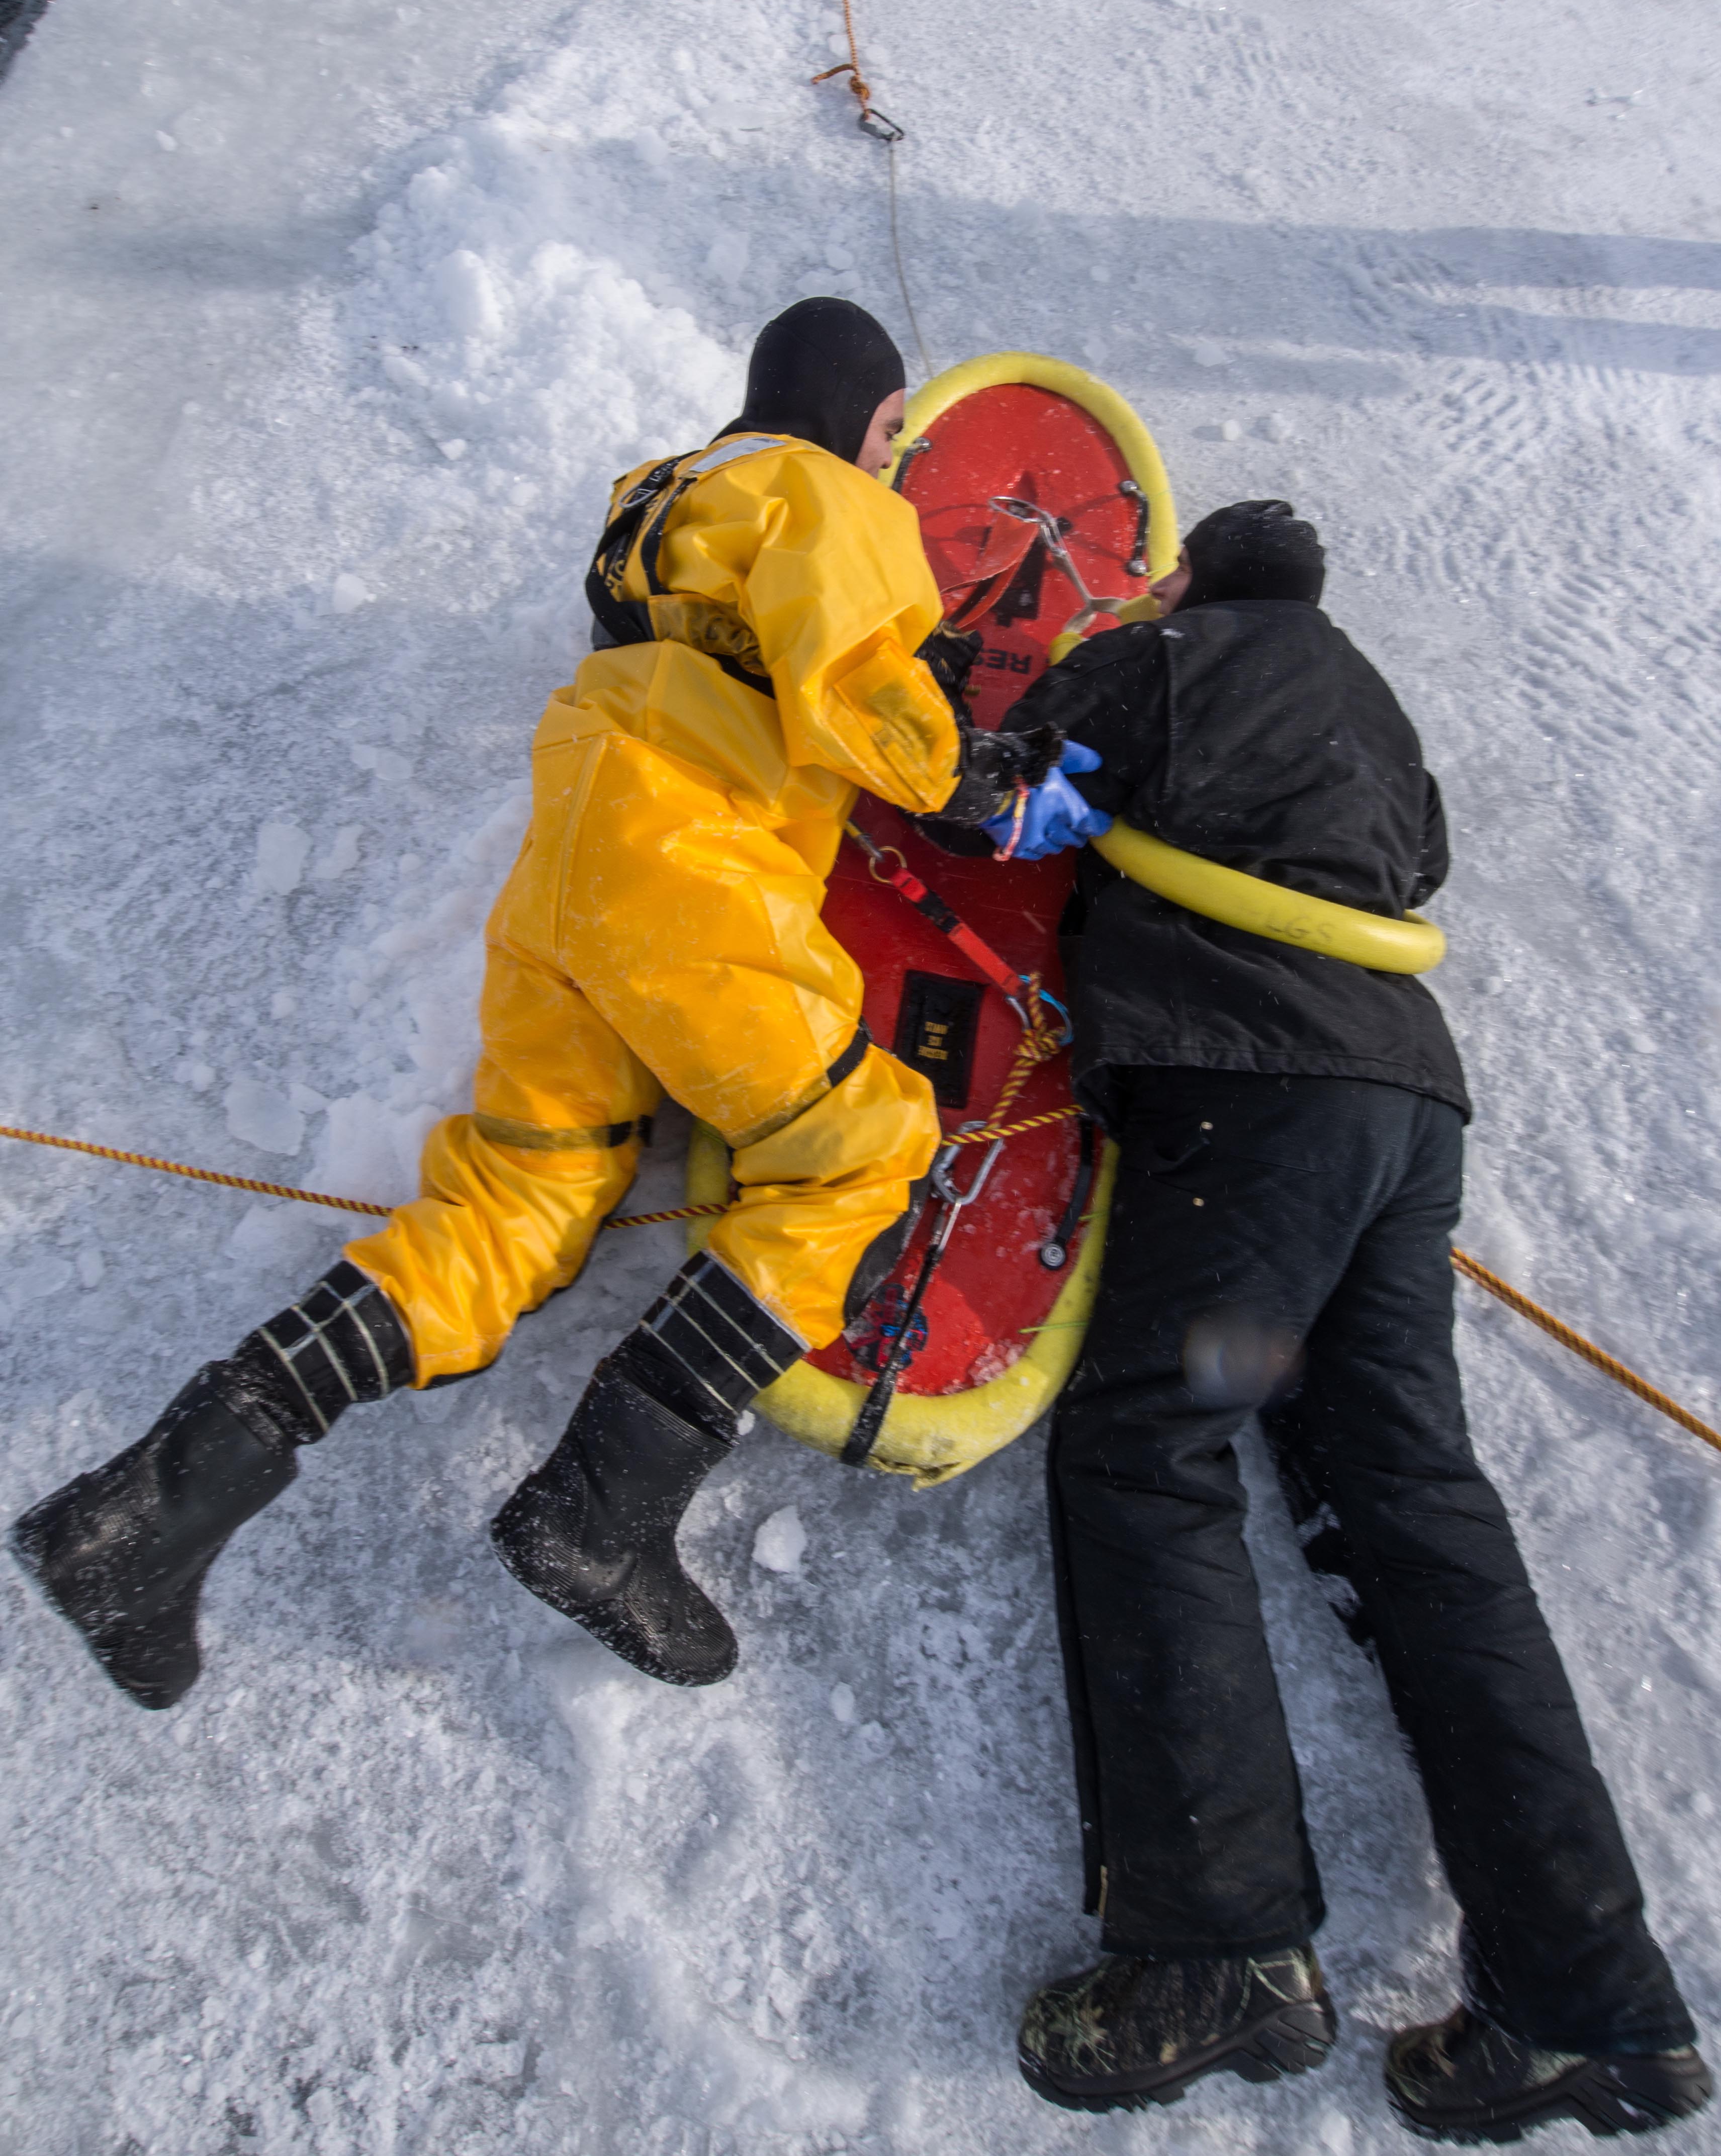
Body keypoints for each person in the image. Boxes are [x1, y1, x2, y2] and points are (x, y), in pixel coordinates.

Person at [12, 298, 1102, 1710]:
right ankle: (602, 1513)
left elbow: (736, 664)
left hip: (571, 874)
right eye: (894, 430)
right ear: (850, 410)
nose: (895, 461)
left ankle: (139, 1520)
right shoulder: (824, 490)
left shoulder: (658, 506)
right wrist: (991, 790)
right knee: (870, 1143)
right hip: (687, 874)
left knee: (516, 1209)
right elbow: (848, 682)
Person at [1000, 501, 1710, 2142]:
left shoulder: (1165, 655)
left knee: (1148, 1453)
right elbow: (1417, 868)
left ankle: (1221, 1944)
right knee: (1413, 1505)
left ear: (1195, 580)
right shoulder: (1376, 709)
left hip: (1254, 1108)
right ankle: (1590, 2004)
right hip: (1400, 1121)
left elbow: (1008, 787)